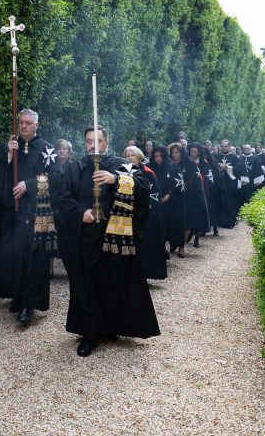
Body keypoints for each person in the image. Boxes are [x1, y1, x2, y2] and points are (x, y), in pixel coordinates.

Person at [58, 127, 160, 357]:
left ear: (107, 142)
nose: (93, 145)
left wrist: (117, 179)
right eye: (88, 141)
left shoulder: (122, 164)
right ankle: (90, 333)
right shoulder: (75, 168)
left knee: (114, 281)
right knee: (88, 283)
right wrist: (80, 211)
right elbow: (63, 199)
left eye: (98, 141)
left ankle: (113, 326)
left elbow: (144, 188)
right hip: (86, 237)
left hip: (115, 237)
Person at [0, 109, 57, 326]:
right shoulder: (12, 146)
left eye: (28, 123)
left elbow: (57, 178)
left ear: (37, 124)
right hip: (13, 213)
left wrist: (30, 185)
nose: (24, 126)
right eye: (21, 123)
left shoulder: (47, 149)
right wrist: (8, 156)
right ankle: (17, 295)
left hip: (36, 212)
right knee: (14, 256)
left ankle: (29, 303)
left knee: (33, 258)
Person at [165, 142, 208, 256]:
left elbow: (195, 180)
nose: (174, 155)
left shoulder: (189, 163)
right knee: (172, 221)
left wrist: (183, 185)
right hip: (171, 197)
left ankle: (181, 246)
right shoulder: (168, 163)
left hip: (187, 197)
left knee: (186, 223)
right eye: (172, 152)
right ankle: (173, 243)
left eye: (177, 152)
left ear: (181, 153)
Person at [140, 145, 170, 279]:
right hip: (153, 201)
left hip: (165, 200)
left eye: (160, 156)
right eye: (156, 156)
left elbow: (171, 183)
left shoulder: (170, 167)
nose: (158, 159)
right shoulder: (149, 168)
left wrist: (167, 195)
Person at [49, 139, 74, 277]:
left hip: (68, 206)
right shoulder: (51, 166)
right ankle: (50, 269)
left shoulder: (74, 166)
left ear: (69, 152)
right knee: (51, 237)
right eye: (58, 148)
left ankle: (71, 268)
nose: (61, 151)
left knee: (68, 237)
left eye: (64, 149)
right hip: (53, 204)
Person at [213, 139, 242, 228]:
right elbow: (212, 168)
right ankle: (217, 222)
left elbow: (239, 169)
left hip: (230, 184)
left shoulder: (235, 157)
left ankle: (230, 222)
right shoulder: (215, 157)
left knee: (230, 202)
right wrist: (218, 166)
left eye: (225, 146)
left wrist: (228, 167)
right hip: (218, 184)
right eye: (222, 146)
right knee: (218, 201)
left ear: (229, 146)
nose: (224, 148)